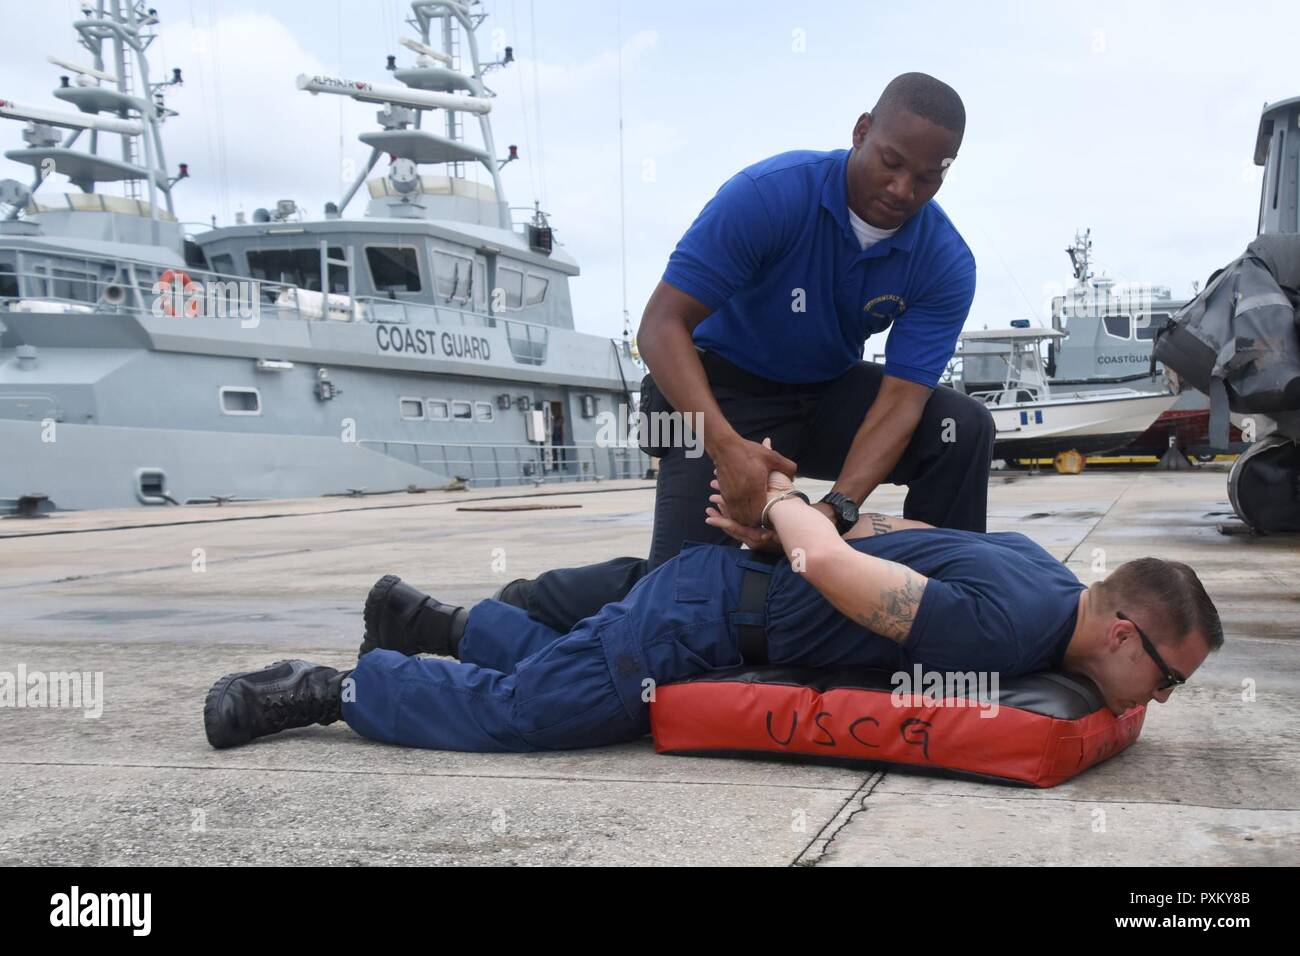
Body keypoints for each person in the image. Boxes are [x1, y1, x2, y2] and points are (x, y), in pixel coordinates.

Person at [204, 457, 1223, 752]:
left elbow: (889, 537)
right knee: (527, 712)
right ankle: (334, 688)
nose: (1161, 700)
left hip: (718, 596)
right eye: (1166, 680)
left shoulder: (1044, 572)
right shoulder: (1009, 625)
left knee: (553, 665)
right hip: (697, 624)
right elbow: (836, 569)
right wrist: (775, 505)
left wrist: (789, 531)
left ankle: (436, 619)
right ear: (1125, 632)